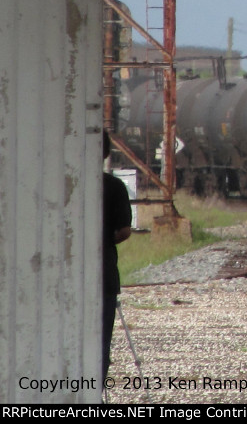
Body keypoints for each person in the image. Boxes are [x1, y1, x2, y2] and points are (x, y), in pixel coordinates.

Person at [102, 131, 132, 381]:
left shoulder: (62, 185)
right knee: (101, 343)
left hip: (64, 277)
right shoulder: (114, 187)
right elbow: (124, 231)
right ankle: (95, 391)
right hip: (105, 276)